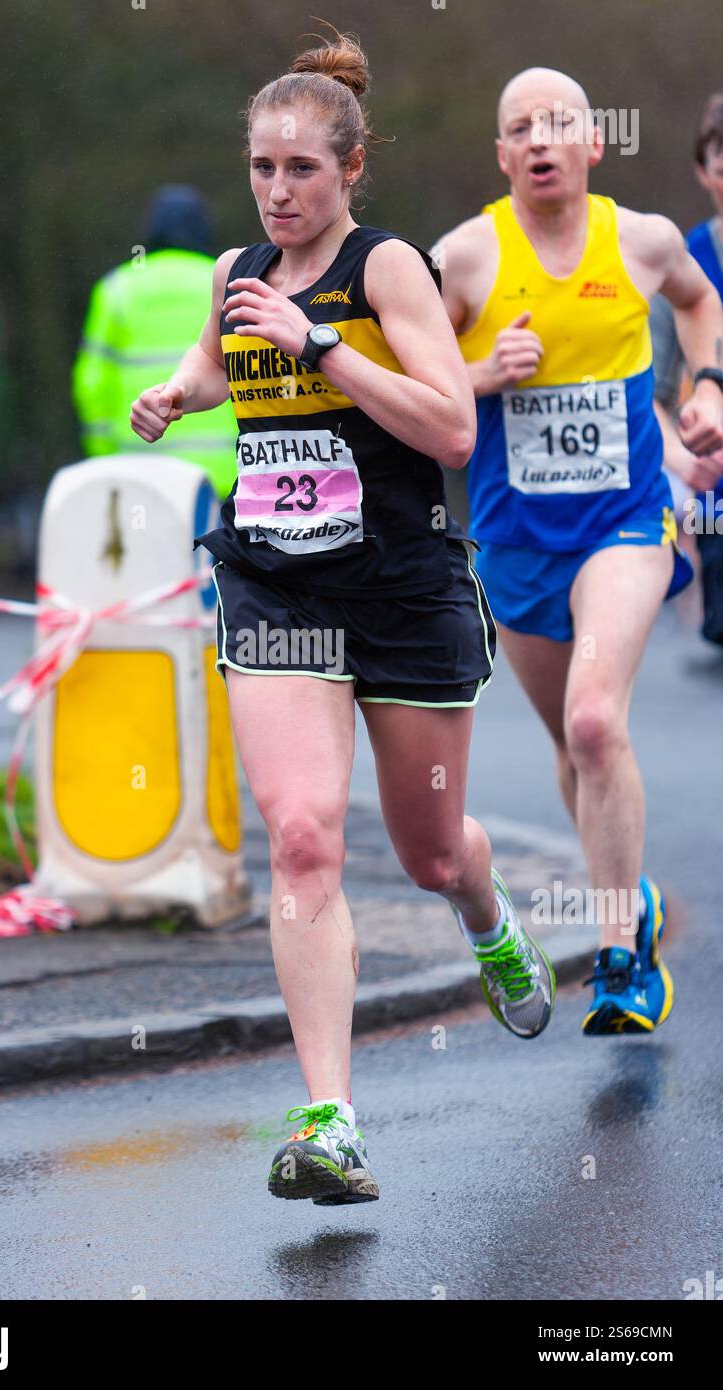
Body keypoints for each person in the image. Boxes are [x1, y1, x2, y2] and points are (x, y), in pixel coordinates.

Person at [131, 26, 555, 1207]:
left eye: (301, 170)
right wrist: (174, 395)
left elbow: (451, 428)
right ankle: (329, 1120)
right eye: (262, 169)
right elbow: (217, 363)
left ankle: (485, 911)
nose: (277, 191)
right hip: (275, 581)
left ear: (350, 168)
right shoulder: (233, 275)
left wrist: (322, 344)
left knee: (426, 852)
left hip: (399, 583)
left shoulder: (385, 271)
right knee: (305, 834)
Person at [434, 68, 723, 1036]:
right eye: (520, 127)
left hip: (626, 522)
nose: (540, 139)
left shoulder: (638, 240)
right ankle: (626, 890)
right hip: (515, 538)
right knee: (568, 739)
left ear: (592, 142)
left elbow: (698, 305)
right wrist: (481, 370)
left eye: (558, 123)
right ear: (502, 154)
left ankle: (617, 956)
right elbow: (407, 387)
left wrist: (706, 386)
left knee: (597, 723)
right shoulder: (463, 258)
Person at [73, 185, 238, 498]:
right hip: (222, 476)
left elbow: (91, 383)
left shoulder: (116, 289)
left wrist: (105, 455)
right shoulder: (226, 281)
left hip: (138, 475)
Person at [649, 93, 723, 647]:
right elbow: (648, 388)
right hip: (711, 481)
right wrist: (681, 453)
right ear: (704, 172)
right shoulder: (682, 266)